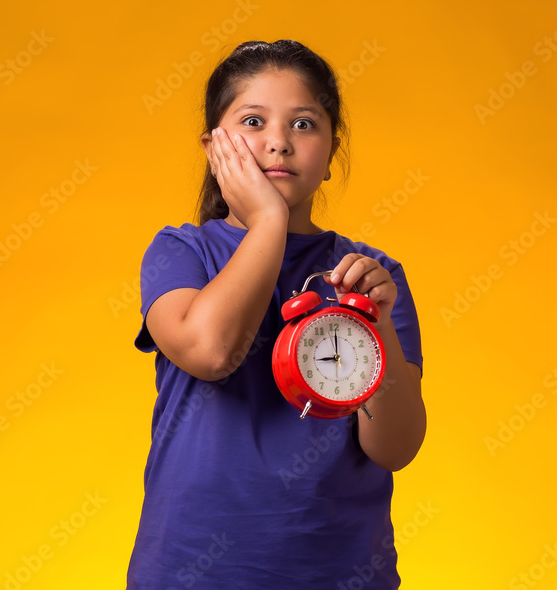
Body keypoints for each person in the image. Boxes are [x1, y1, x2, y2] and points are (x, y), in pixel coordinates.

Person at [128, 39, 426, 589]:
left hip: (339, 573)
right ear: (213, 148)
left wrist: (378, 322)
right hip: (192, 572)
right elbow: (211, 351)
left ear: (332, 151)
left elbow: (395, 446)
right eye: (253, 121)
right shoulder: (181, 252)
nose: (279, 143)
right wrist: (268, 220)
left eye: (304, 124)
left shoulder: (371, 275)